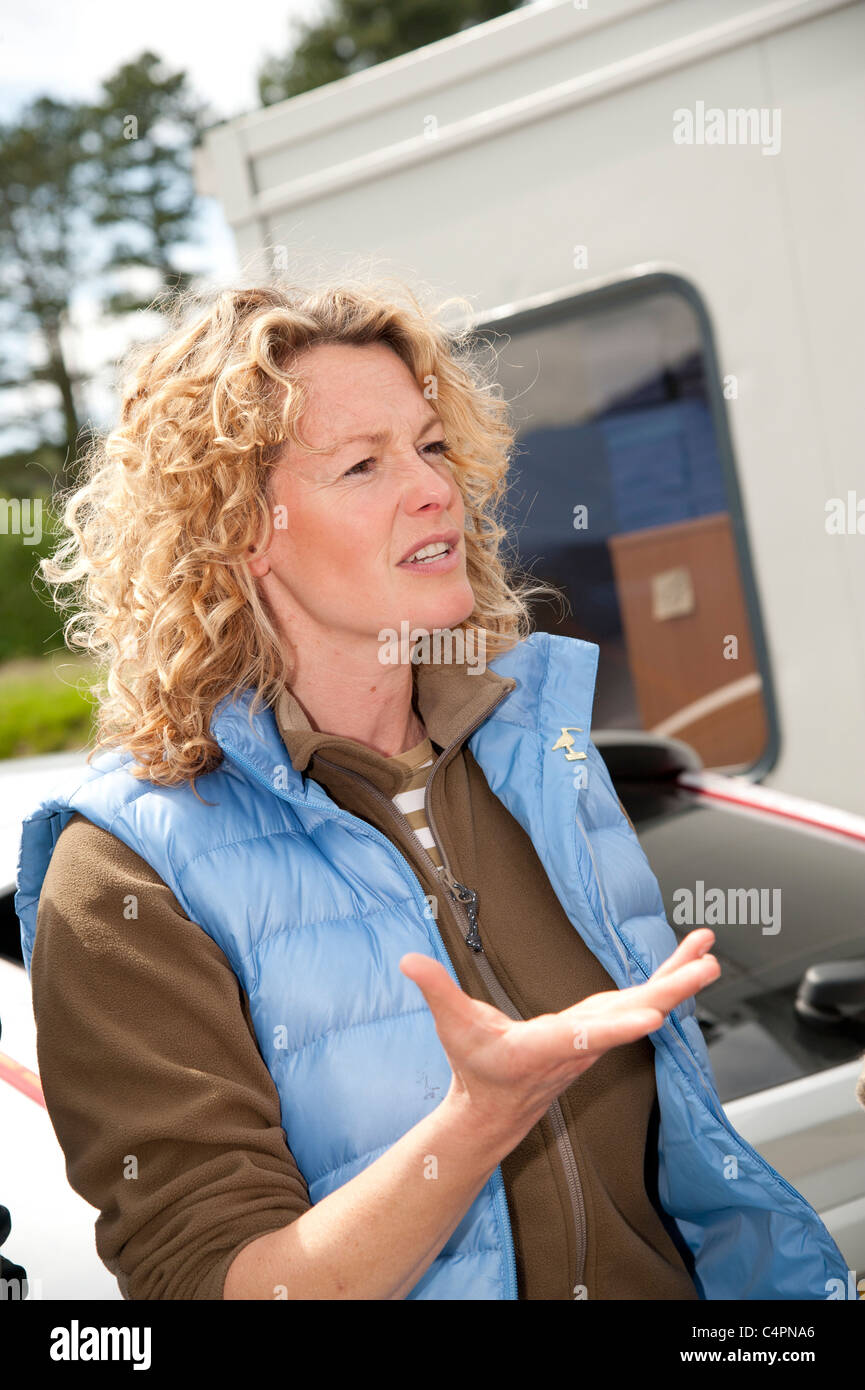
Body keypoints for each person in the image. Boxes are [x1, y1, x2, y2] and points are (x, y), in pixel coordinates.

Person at [16, 281, 849, 1301]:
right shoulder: (120, 875)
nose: (432, 490)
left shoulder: (537, 757)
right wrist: (475, 1124)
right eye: (364, 463)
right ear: (238, 529)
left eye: (431, 447)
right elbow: (211, 1283)